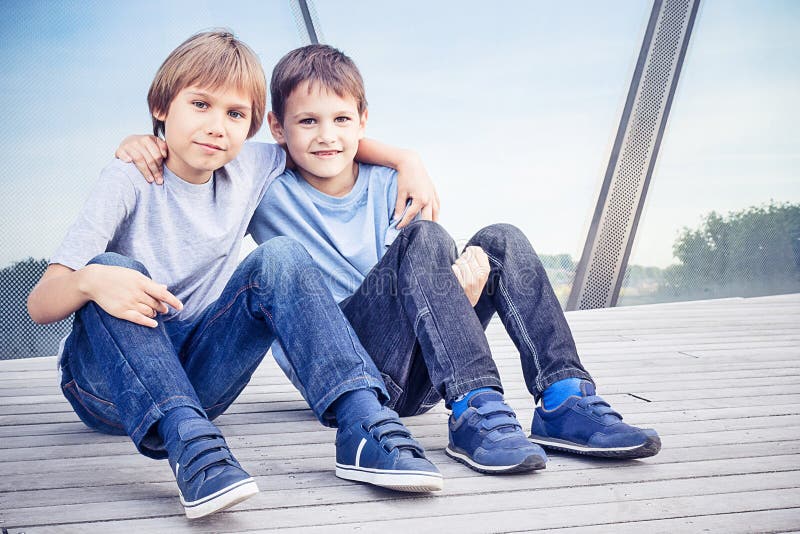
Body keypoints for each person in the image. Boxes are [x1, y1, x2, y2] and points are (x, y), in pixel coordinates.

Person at [119, 44, 661, 478]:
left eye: (340, 120)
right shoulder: (264, 183)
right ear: (279, 132)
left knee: (501, 239)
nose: (326, 136)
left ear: (363, 121)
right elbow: (203, 153)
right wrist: (144, 142)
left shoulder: (391, 183)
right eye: (307, 122)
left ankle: (564, 399)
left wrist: (409, 166)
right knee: (425, 238)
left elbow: (419, 274)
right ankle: (475, 409)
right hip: (345, 368)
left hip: (421, 362)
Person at [28, 32, 444, 520]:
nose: (216, 127)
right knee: (112, 270)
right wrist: (89, 282)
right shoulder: (128, 179)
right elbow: (40, 303)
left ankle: (362, 425)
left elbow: (327, 142)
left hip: (202, 379)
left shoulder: (250, 167)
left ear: (252, 128)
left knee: (282, 256)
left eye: (234, 114)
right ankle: (192, 450)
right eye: (200, 104)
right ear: (162, 106)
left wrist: (406, 159)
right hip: (107, 386)